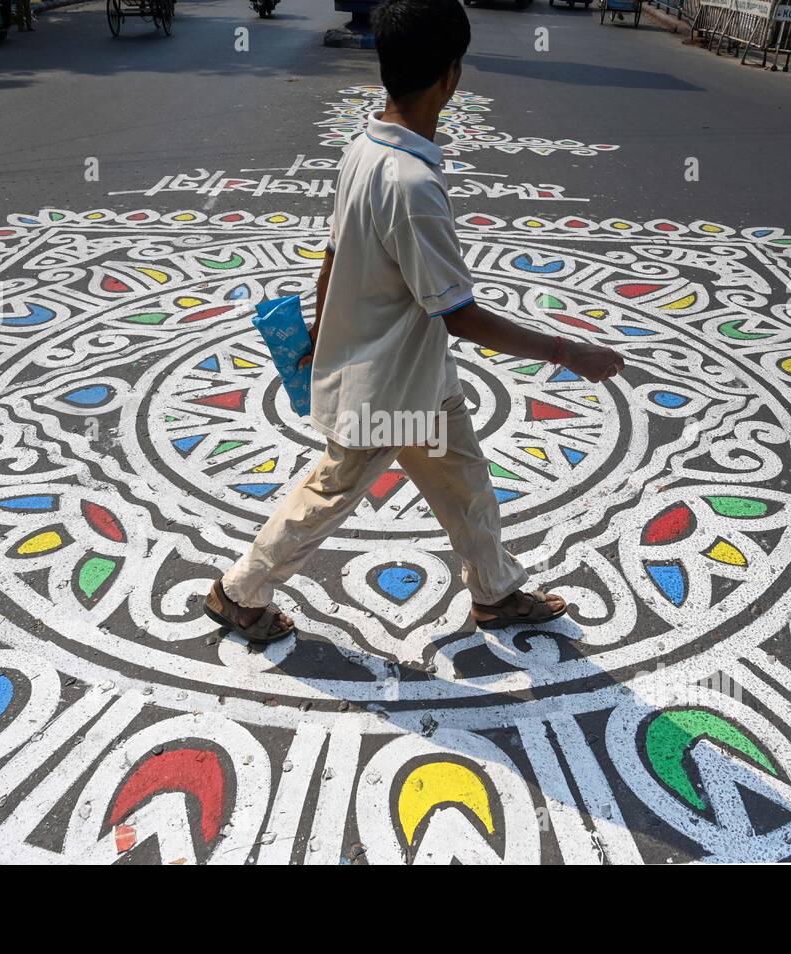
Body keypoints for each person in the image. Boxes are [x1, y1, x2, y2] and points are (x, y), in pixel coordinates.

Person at [202, 0, 626, 644]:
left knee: (464, 482)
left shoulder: (364, 148)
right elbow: (458, 315)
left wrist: (321, 331)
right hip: (390, 386)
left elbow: (335, 252)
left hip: (419, 375)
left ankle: (496, 591)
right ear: (451, 75)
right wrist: (571, 353)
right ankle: (240, 593)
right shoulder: (412, 185)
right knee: (331, 490)